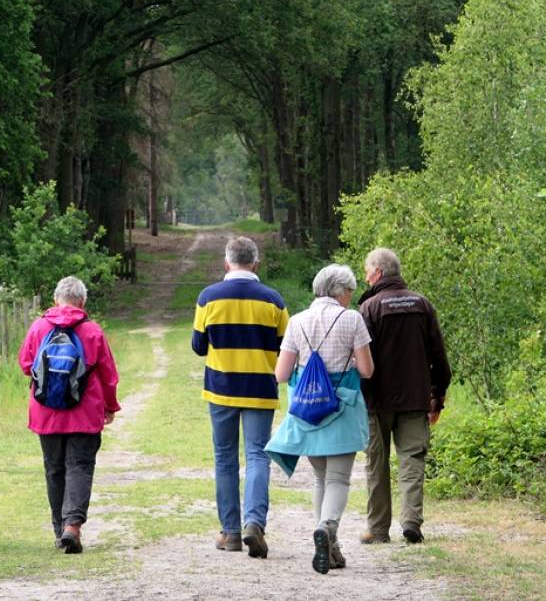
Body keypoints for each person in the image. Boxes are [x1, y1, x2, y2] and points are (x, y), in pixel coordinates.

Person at [266, 264, 374, 574]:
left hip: (308, 412)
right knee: (338, 479)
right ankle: (327, 528)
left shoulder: (297, 321)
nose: (350, 297)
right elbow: (367, 370)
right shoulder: (352, 319)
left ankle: (331, 546)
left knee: (320, 478)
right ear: (340, 291)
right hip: (343, 406)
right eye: (350, 291)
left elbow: (281, 374)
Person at [191, 236, 289, 558]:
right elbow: (285, 345)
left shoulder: (208, 297)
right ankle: (254, 523)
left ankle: (230, 532)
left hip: (221, 388)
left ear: (226, 262)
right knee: (258, 455)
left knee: (225, 458)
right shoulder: (274, 300)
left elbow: (199, 346)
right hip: (260, 388)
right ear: (256, 263)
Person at [18, 276, 121, 554]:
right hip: (84, 413)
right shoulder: (93, 331)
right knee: (80, 466)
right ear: (82, 302)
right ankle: (72, 527)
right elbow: (108, 375)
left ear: (55, 300)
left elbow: (26, 365)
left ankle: (58, 530)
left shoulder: (39, 327)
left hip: (46, 413)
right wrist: (110, 406)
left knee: (54, 468)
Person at [357, 248, 451, 545]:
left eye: (367, 272)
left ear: (378, 273)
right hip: (414, 398)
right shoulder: (422, 305)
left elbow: (361, 358)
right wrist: (437, 395)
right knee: (412, 460)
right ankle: (411, 521)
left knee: (376, 463)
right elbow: (439, 356)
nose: (366, 278)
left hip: (376, 401)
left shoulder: (369, 308)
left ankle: (377, 528)